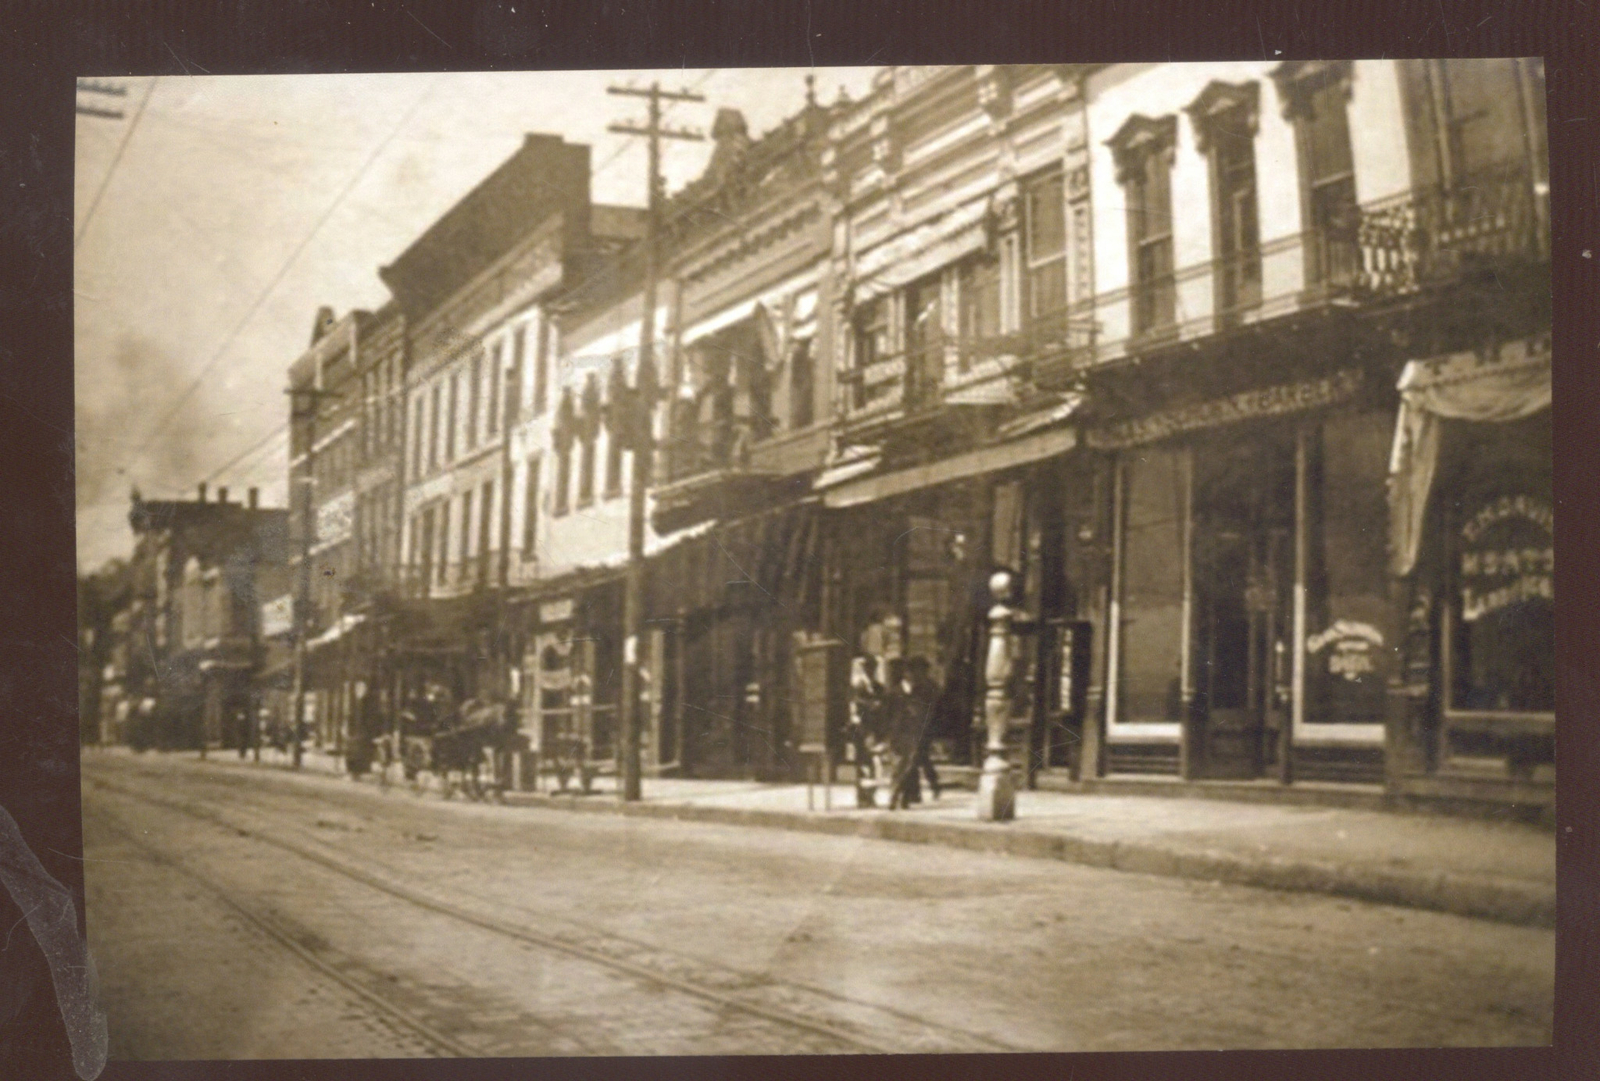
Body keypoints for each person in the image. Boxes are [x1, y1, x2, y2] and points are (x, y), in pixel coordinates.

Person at [889, 657, 940, 809]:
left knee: (911, 763)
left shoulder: (924, 689)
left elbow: (928, 711)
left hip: (917, 732)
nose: (911, 675)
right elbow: (889, 714)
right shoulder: (895, 691)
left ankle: (901, 796)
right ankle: (903, 795)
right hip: (899, 733)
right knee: (904, 765)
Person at [848, 655, 887, 807]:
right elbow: (856, 705)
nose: (871, 670)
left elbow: (884, 703)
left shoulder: (878, 687)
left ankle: (871, 795)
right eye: (868, 667)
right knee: (863, 764)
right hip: (863, 729)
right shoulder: (859, 686)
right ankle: (862, 797)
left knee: (874, 764)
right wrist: (871, 705)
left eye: (873, 667)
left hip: (875, 729)